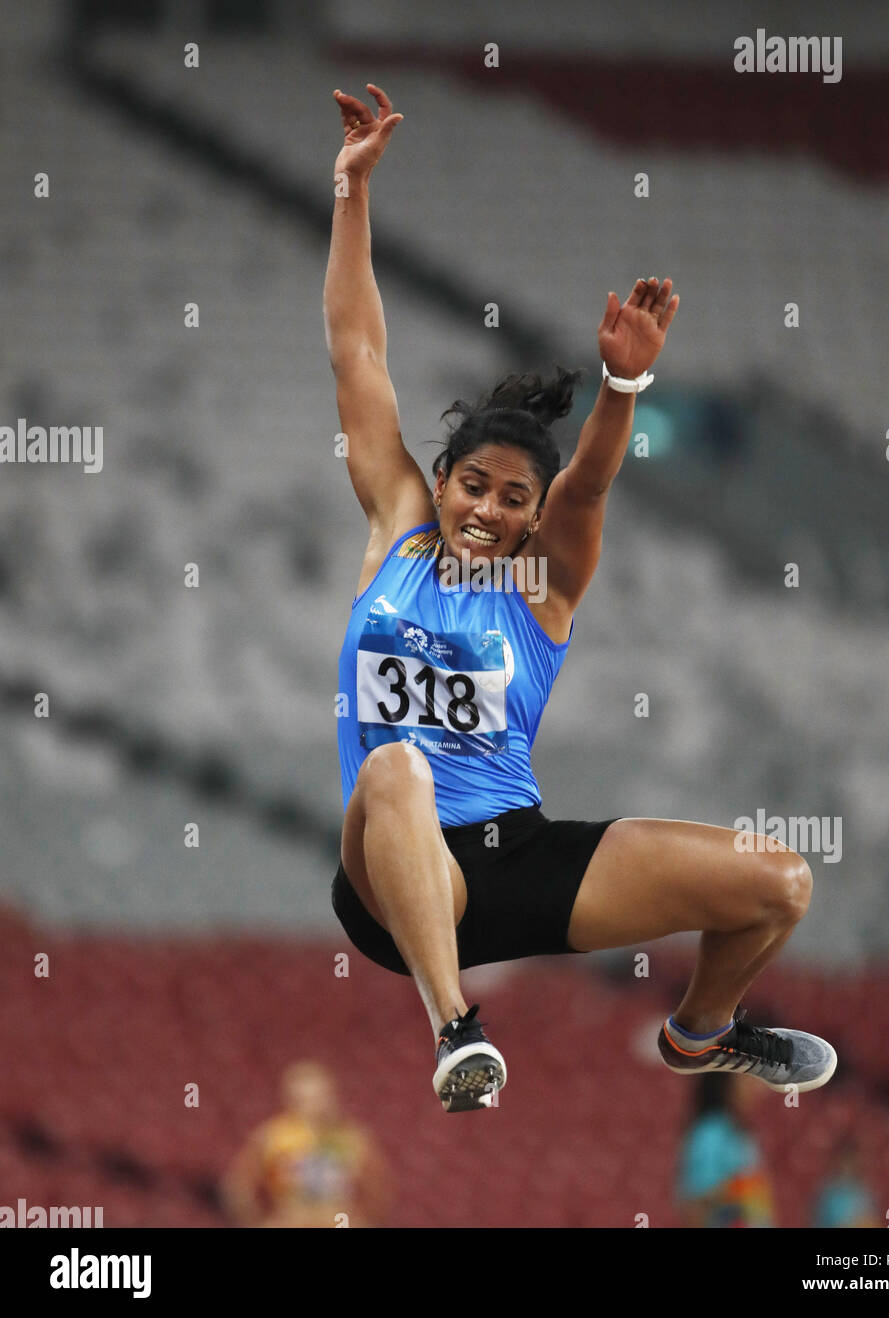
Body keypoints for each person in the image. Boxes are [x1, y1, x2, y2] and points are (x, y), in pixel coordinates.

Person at [326, 82, 837, 1113]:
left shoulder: (540, 586)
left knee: (780, 881)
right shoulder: (399, 530)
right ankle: (456, 1031)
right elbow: (357, 351)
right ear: (442, 481)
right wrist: (350, 193)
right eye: (472, 485)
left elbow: (591, 484)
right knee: (392, 767)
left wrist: (625, 387)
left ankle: (701, 1038)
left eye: (513, 498)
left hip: (517, 856)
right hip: (396, 878)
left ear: (528, 515)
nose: (486, 510)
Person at [222, 1061, 389, 1227]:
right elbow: (239, 1186)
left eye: (318, 1097)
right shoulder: (272, 1136)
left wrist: (365, 1220)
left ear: (331, 1096)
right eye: (303, 1098)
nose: (312, 1105)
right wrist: (256, 1221)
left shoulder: (353, 1137)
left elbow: (379, 1187)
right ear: (288, 1099)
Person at [677, 1073, 775, 1227]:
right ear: (725, 1084)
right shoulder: (710, 1133)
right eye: (746, 1080)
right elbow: (695, 1203)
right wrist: (737, 1189)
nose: (755, 1088)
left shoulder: (743, 1132)